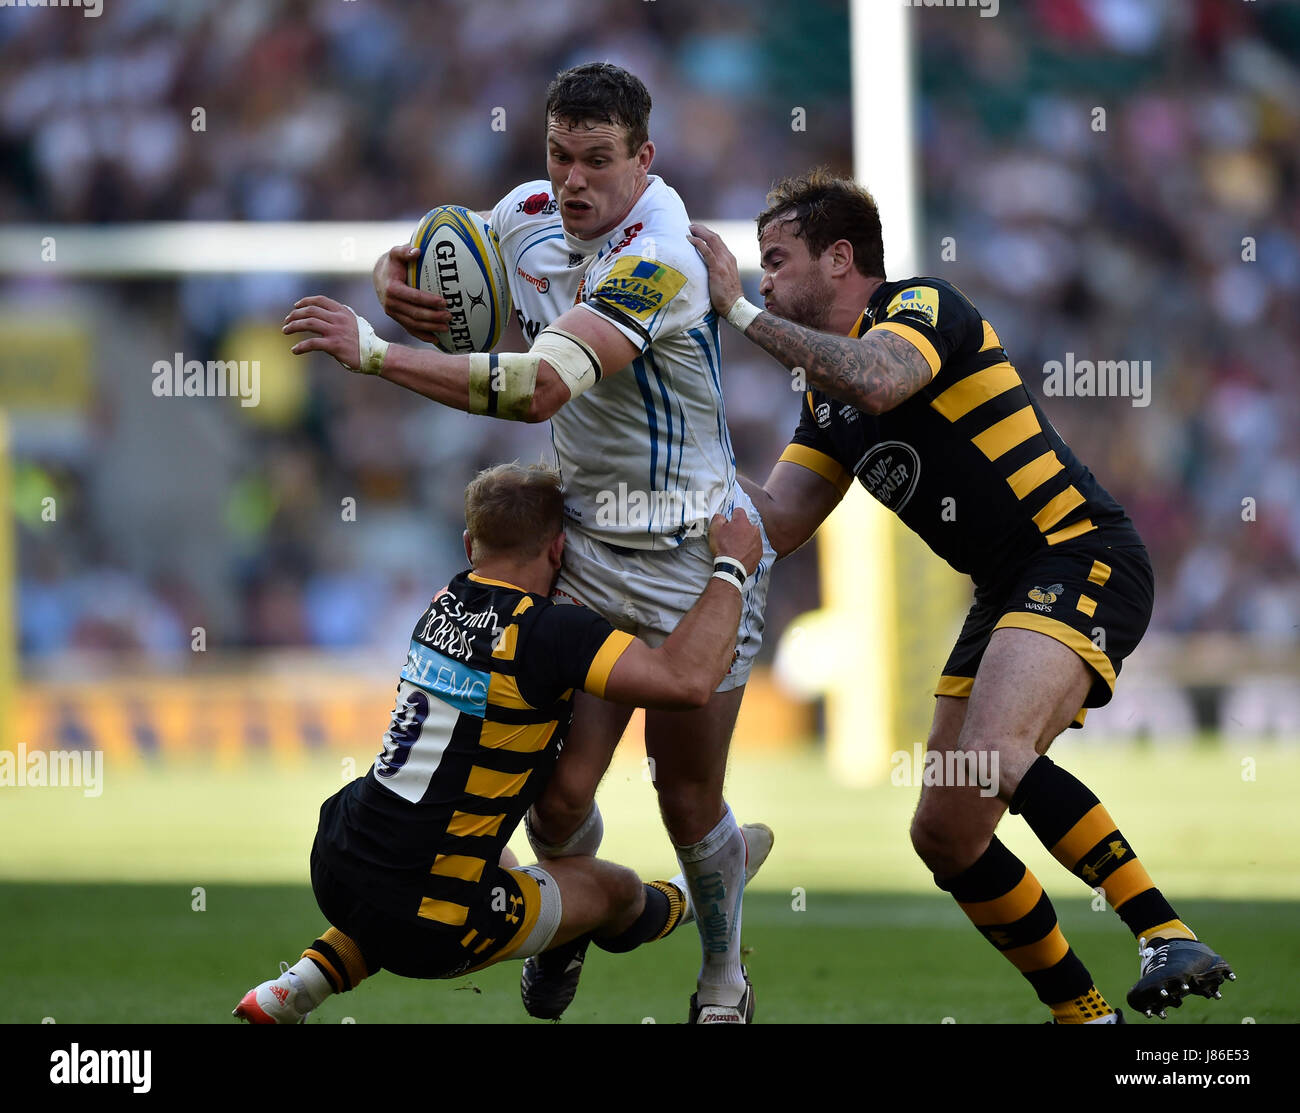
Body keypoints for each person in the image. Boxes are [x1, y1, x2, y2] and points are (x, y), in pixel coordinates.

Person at [283, 63, 774, 1023]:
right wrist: (401, 268)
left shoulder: (660, 257)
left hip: (693, 549)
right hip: (586, 546)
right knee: (556, 802)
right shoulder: (531, 209)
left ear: (645, 161)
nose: (576, 179)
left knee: (683, 797)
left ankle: (722, 974)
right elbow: (446, 251)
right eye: (561, 154)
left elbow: (539, 390)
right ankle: (566, 924)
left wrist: (376, 352)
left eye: (599, 160)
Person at [686, 169, 1235, 1024]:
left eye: (776, 260)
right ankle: (1087, 1016)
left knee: (997, 750)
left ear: (840, 258)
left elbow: (878, 378)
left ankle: (1162, 929)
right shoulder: (825, 400)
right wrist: (672, 470)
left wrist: (740, 316)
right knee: (944, 831)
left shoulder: (921, 308)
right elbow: (781, 518)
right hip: (1003, 589)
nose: (761, 279)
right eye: (757, 265)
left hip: (1075, 550)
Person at [233, 463, 771, 1023]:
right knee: (613, 892)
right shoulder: (549, 633)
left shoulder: (442, 603)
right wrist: (732, 566)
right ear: (559, 550)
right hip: (431, 921)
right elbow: (685, 682)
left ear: (470, 545)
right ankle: (690, 896)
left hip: (338, 855)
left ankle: (295, 987)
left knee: (459, 859)